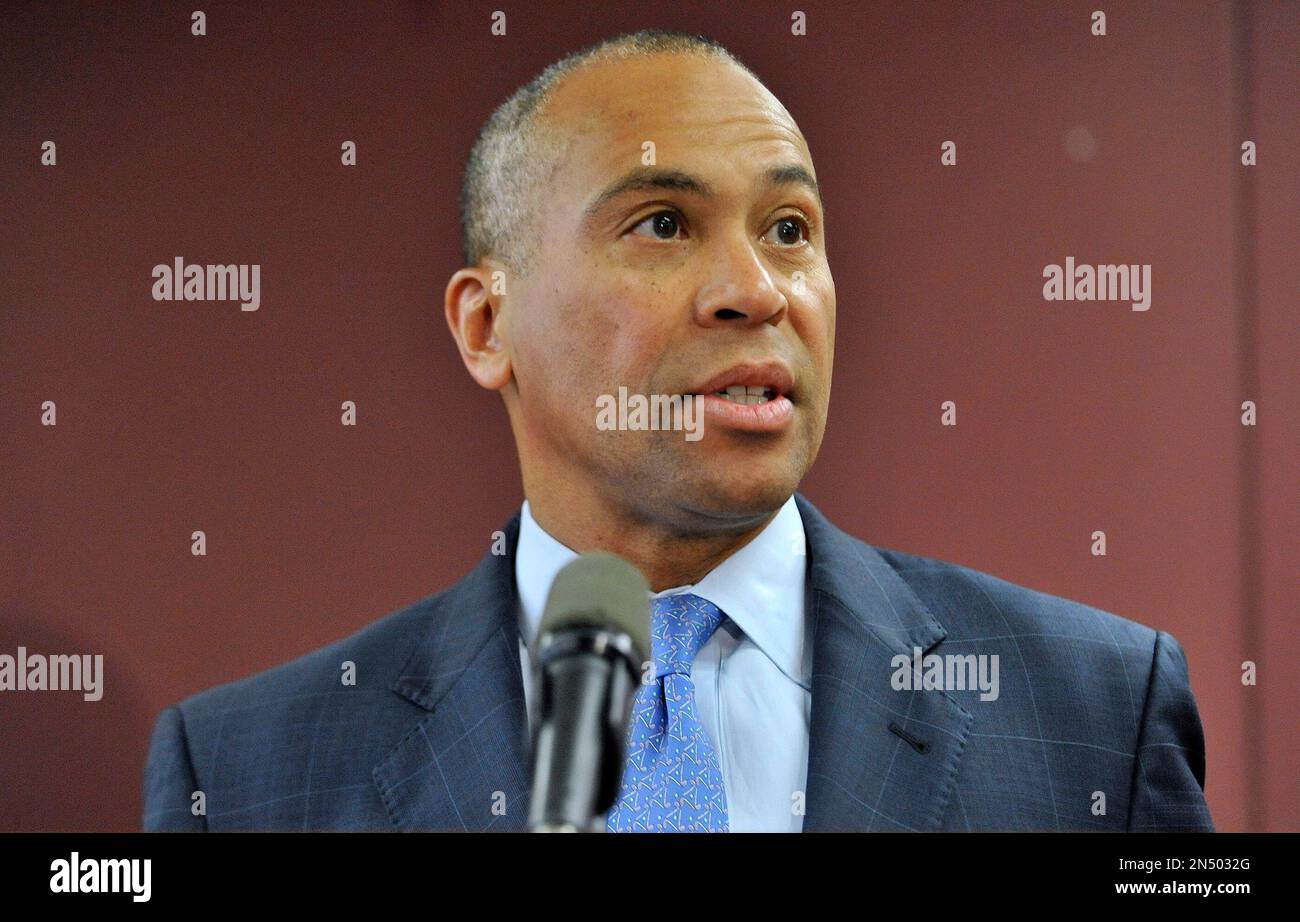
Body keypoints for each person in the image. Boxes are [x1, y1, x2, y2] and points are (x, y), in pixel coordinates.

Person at [143, 29, 1213, 833]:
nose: (756, 289)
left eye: (789, 230)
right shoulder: (246, 774)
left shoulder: (1095, 710)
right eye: (662, 224)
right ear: (486, 323)